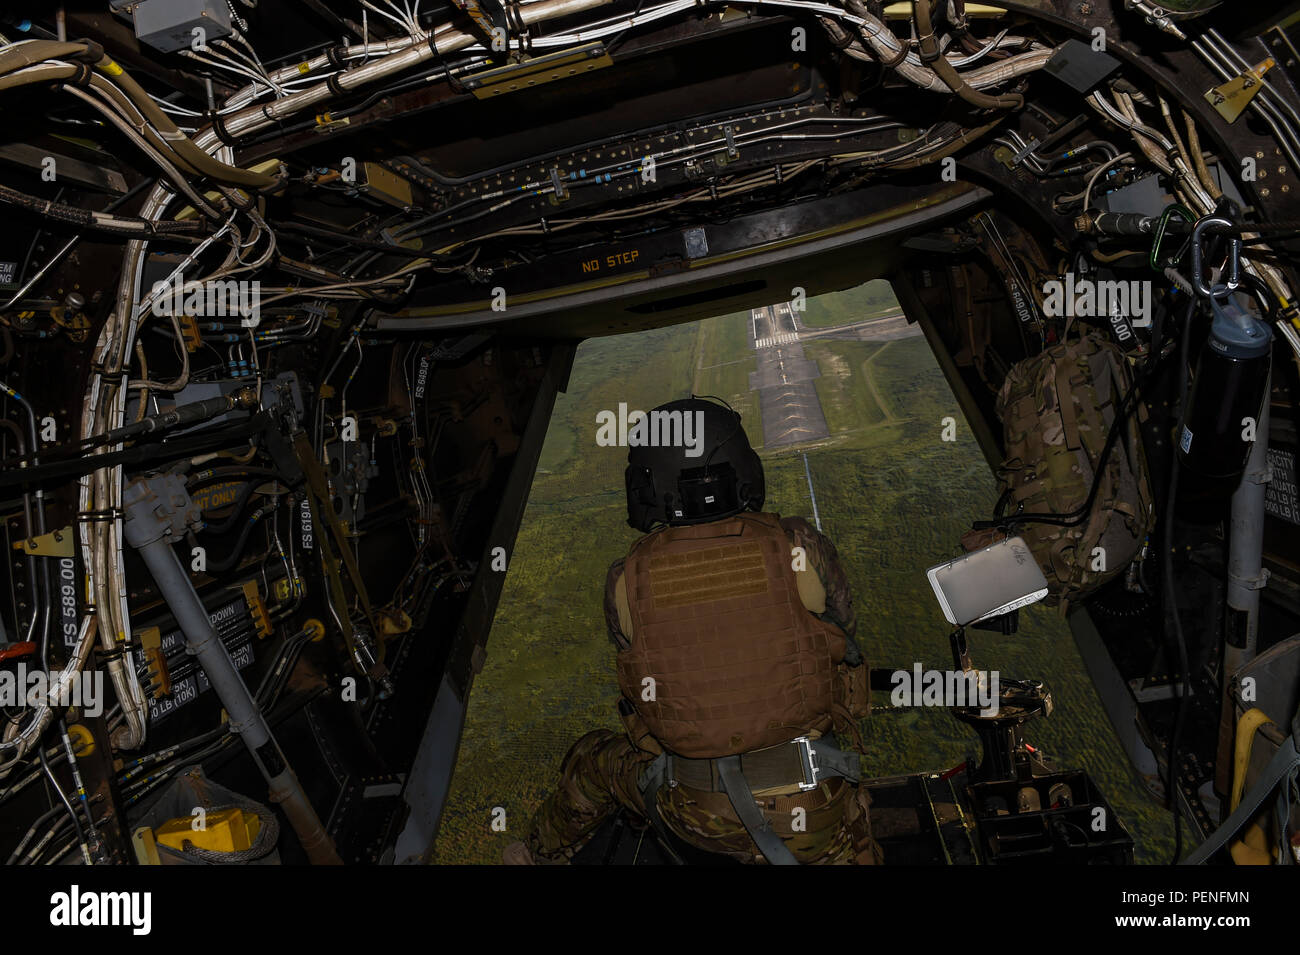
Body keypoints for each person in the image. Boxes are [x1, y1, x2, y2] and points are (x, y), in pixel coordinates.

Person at [505, 397, 879, 865]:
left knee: (590, 760)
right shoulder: (798, 545)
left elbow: (641, 675)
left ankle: (534, 856)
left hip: (693, 812)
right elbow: (845, 638)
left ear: (651, 483)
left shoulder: (626, 579)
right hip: (812, 810)